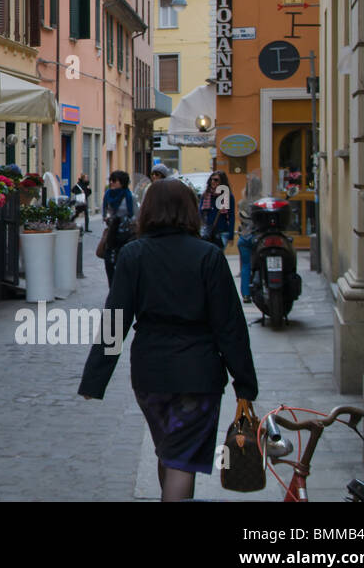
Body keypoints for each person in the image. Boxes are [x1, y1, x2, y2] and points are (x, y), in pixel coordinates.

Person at [79, 179, 259, 502]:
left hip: (150, 375)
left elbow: (115, 320)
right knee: (181, 459)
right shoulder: (209, 256)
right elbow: (230, 326)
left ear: (149, 211)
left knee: (170, 451)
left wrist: (95, 379)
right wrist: (244, 383)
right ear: (190, 212)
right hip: (197, 375)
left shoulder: (133, 255)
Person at [101, 170, 136, 286]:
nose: (111, 183)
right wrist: (107, 218)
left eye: (114, 181)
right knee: (109, 260)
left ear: (122, 182)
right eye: (110, 180)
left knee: (124, 259)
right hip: (112, 232)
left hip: (126, 234)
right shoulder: (108, 194)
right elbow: (104, 211)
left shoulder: (128, 195)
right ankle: (112, 287)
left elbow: (133, 214)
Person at [200, 171, 236, 250]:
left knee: (218, 257)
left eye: (216, 180)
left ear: (222, 182)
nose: (213, 182)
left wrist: (231, 236)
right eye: (211, 179)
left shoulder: (228, 196)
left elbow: (231, 216)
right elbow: (200, 214)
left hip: (222, 232)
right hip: (208, 232)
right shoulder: (206, 195)